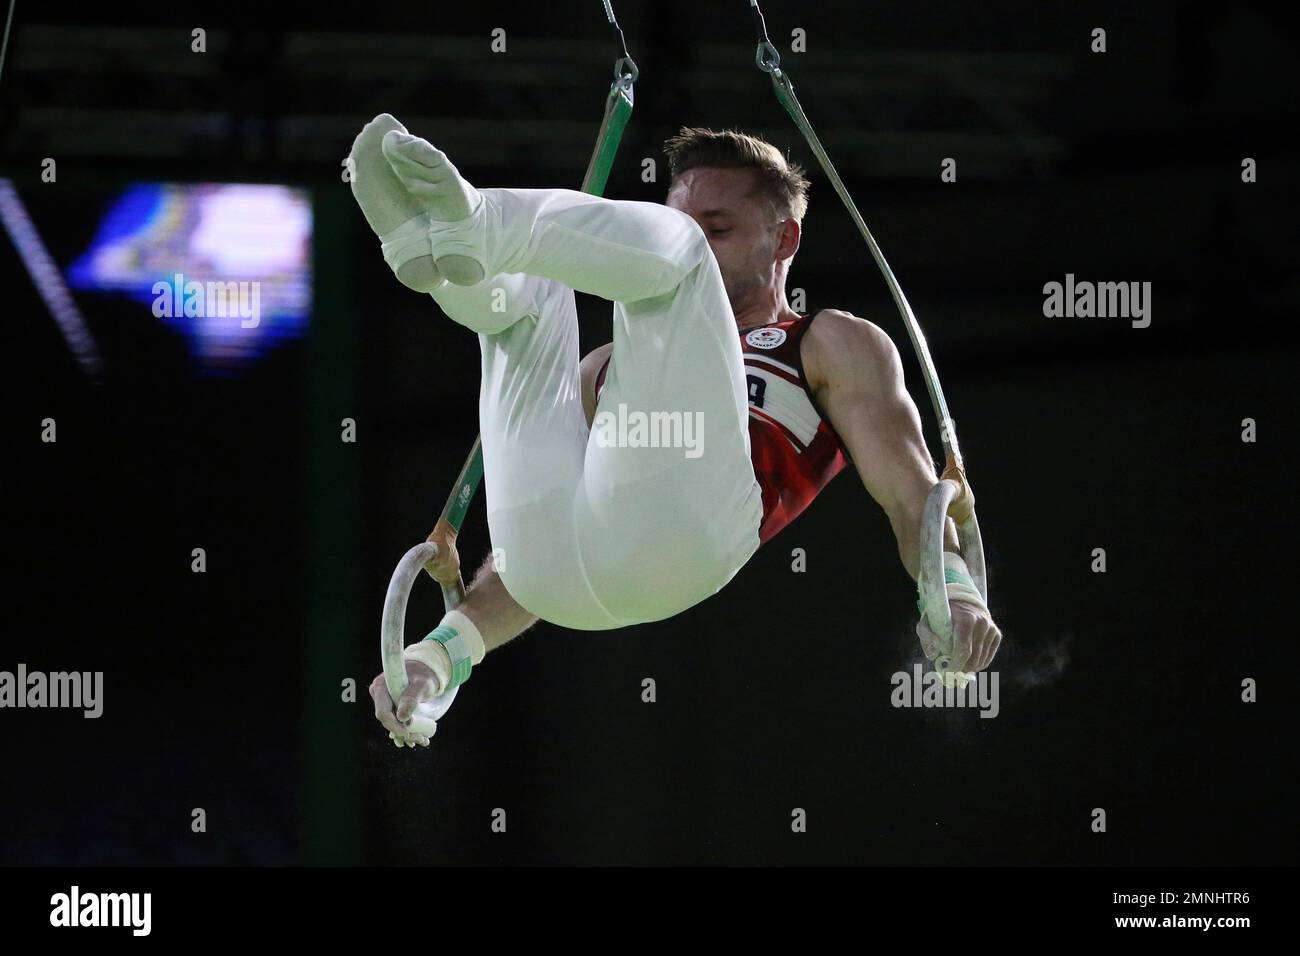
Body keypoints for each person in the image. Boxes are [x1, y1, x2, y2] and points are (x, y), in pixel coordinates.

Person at [348, 114, 1001, 746]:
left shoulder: (829, 341)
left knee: (676, 261)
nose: (691, 234)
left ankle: (479, 223)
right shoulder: (608, 367)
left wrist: (956, 593)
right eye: (681, 219)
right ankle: (431, 250)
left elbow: (910, 489)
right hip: (551, 573)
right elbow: (551, 508)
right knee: (528, 305)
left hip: (688, 540)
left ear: (784, 240)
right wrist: (440, 656)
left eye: (717, 228)